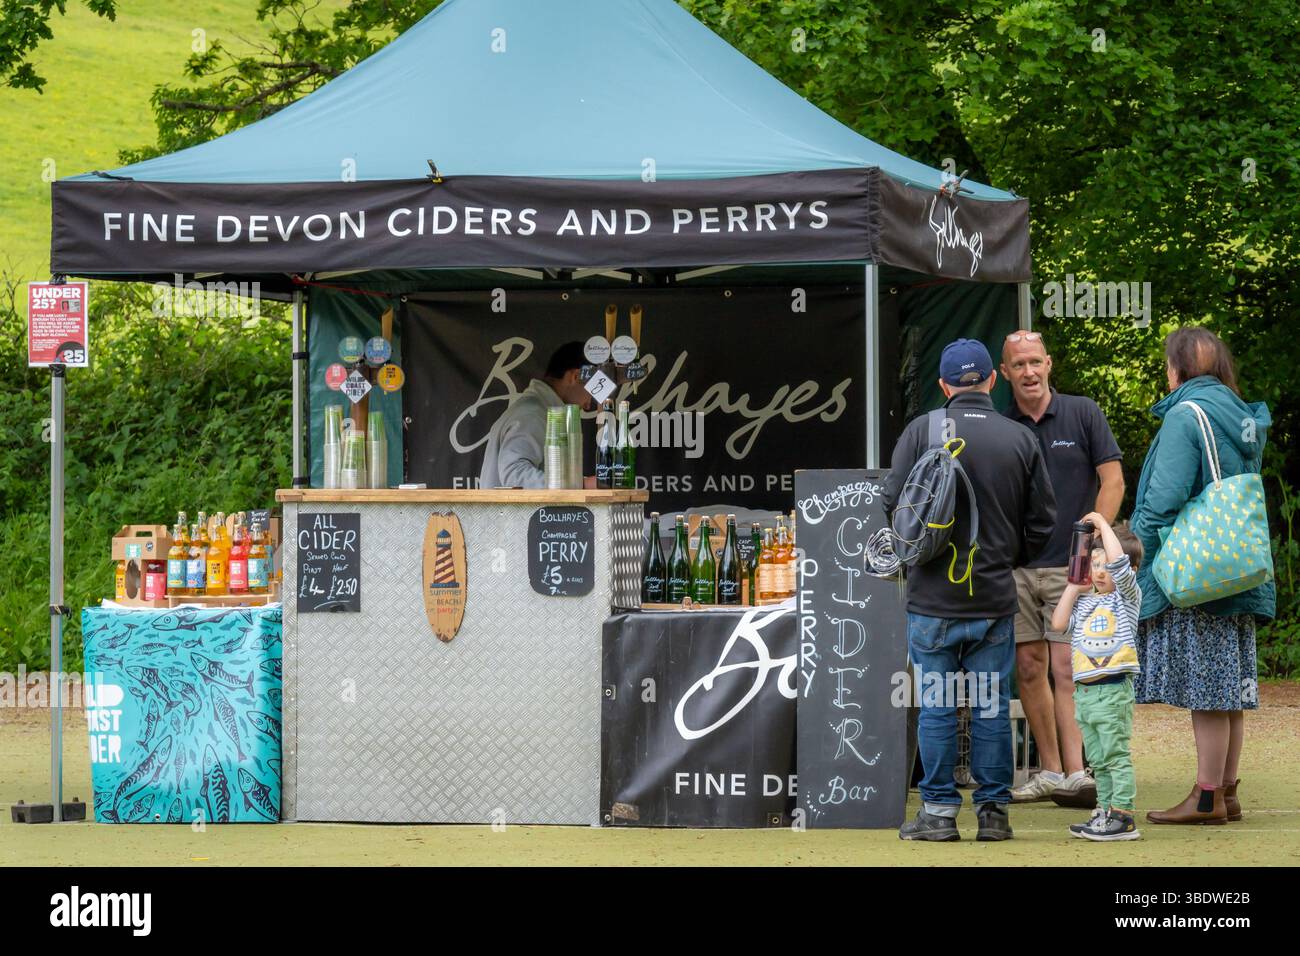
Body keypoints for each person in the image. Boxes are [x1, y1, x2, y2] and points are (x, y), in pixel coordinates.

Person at [884, 338, 1057, 842]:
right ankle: (993, 814)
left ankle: (937, 814)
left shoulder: (921, 431)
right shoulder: (1019, 438)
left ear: (943, 386)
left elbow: (894, 505)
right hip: (993, 597)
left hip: (933, 601)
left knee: (936, 705)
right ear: (992, 379)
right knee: (989, 706)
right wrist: (1007, 559)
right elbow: (1043, 523)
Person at [1130, 327, 1273, 825]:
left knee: (1209, 690)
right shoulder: (1240, 414)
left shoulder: (1185, 415)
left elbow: (1164, 497)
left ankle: (1207, 795)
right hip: (1239, 565)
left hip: (1200, 569)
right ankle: (1227, 790)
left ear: (1178, 370)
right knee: (1228, 686)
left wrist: (1133, 550)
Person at [1000, 330, 1125, 807]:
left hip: (1069, 567)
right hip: (1014, 569)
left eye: (1035, 362)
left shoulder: (1082, 411)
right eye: (1019, 365)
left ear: (1049, 364)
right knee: (1029, 668)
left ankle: (1078, 772)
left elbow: (1112, 481)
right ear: (1005, 372)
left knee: (1066, 667)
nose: (1029, 372)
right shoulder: (1000, 422)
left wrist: (1093, 542)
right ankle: (1050, 771)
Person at [1051, 514, 1143, 841]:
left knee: (1115, 755)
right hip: (1085, 696)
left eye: (1106, 565)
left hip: (1112, 691)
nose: (1100, 571)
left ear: (1128, 570)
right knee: (1099, 762)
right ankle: (1105, 812)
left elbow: (1119, 563)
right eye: (1094, 564)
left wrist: (1103, 526)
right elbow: (1059, 623)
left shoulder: (1127, 599)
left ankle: (1123, 815)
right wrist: (1074, 588)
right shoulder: (1086, 602)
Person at [479, 342, 594, 488]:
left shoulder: (539, 410)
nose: (589, 404)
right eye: (593, 389)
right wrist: (581, 485)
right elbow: (515, 475)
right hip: (513, 511)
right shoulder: (533, 414)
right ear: (575, 377)